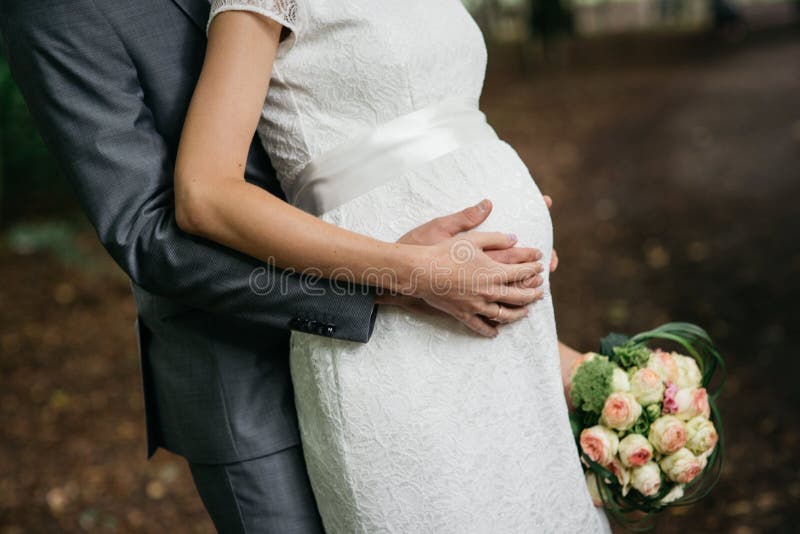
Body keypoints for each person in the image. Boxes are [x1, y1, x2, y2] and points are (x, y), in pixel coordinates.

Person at [0, 0, 569, 532]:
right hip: (242, 369)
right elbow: (149, 234)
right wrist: (385, 281)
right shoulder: (53, 11)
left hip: (433, 310)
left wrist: (479, 193)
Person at [173, 1, 610, 532]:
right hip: (394, 341)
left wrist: (506, 191)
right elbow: (205, 193)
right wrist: (412, 272)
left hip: (510, 343)